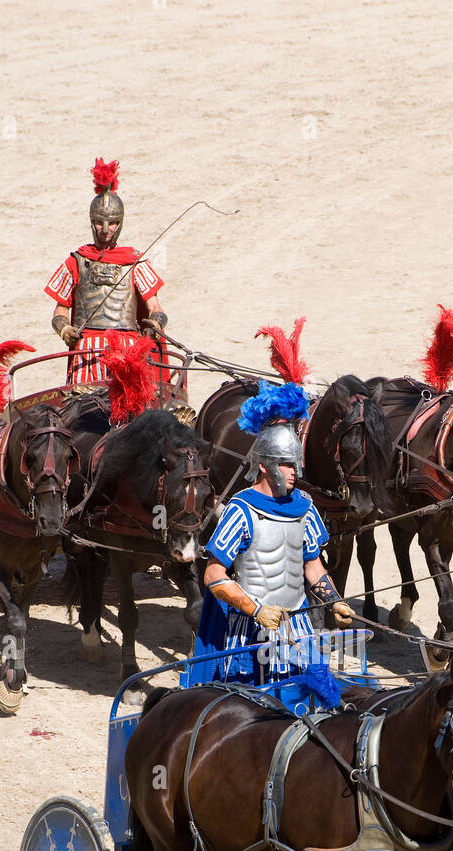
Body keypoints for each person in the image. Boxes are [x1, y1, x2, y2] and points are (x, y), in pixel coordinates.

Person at [193, 381, 354, 684]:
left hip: (298, 627)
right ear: (265, 466)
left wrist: (334, 600)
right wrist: (256, 610)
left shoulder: (304, 508)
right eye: (286, 464)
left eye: (295, 464)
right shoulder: (241, 510)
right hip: (249, 631)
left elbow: (313, 565)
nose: (294, 472)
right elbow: (213, 576)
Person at [45, 158, 168, 386]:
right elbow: (59, 312)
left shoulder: (135, 263)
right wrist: (64, 330)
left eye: (111, 223)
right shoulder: (75, 261)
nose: (105, 230)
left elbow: (155, 308)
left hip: (128, 348)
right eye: (99, 222)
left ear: (119, 223)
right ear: (92, 222)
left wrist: (156, 325)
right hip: (86, 350)